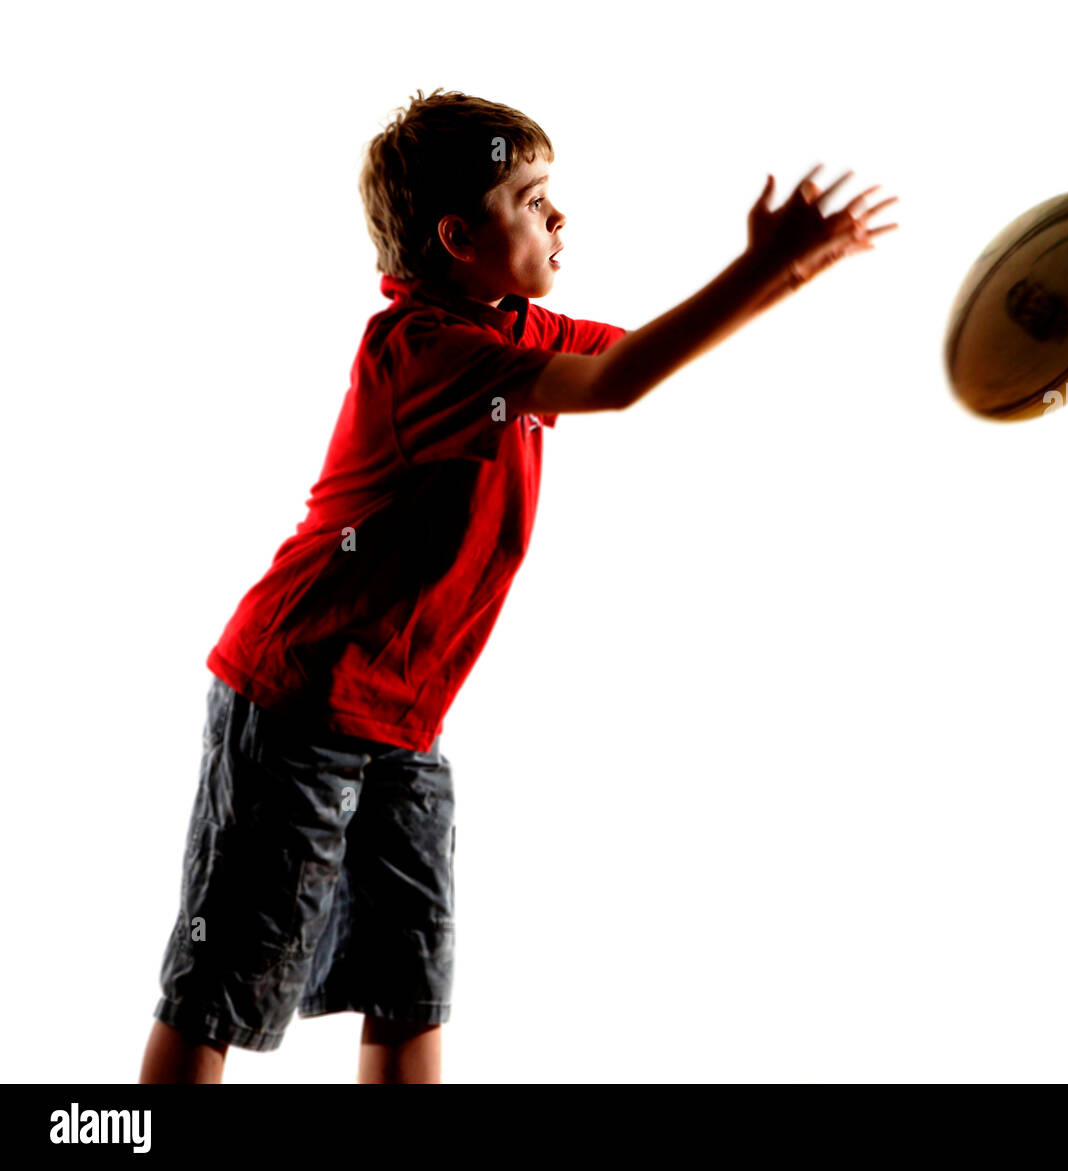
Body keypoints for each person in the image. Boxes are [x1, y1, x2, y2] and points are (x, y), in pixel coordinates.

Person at [139, 87, 898, 1084]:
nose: (559, 216)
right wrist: (757, 264)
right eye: (533, 198)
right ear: (457, 237)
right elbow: (616, 386)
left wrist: (785, 272)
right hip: (297, 702)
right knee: (223, 988)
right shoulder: (426, 352)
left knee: (410, 986)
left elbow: (632, 354)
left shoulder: (518, 329)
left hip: (406, 722)